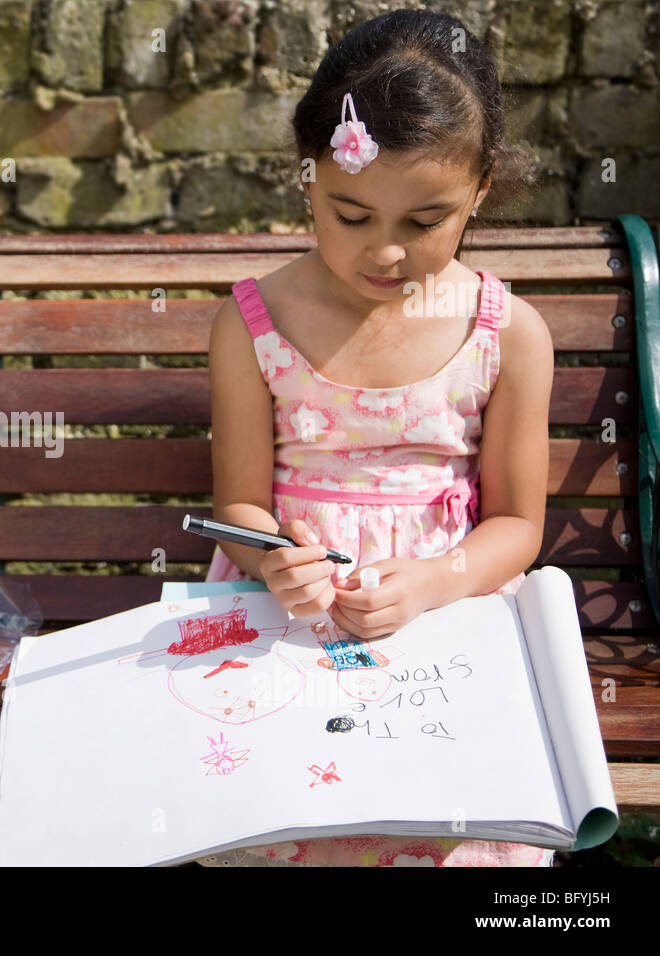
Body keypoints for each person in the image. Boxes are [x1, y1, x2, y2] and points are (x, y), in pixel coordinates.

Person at [196, 9, 556, 867]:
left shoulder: (508, 333)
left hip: (444, 624)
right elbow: (239, 505)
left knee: (440, 811)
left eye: (424, 221)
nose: (385, 253)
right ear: (307, 180)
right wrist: (272, 554)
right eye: (350, 215)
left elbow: (517, 526)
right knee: (293, 802)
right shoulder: (254, 322)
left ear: (479, 193)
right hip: (287, 618)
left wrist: (438, 581)